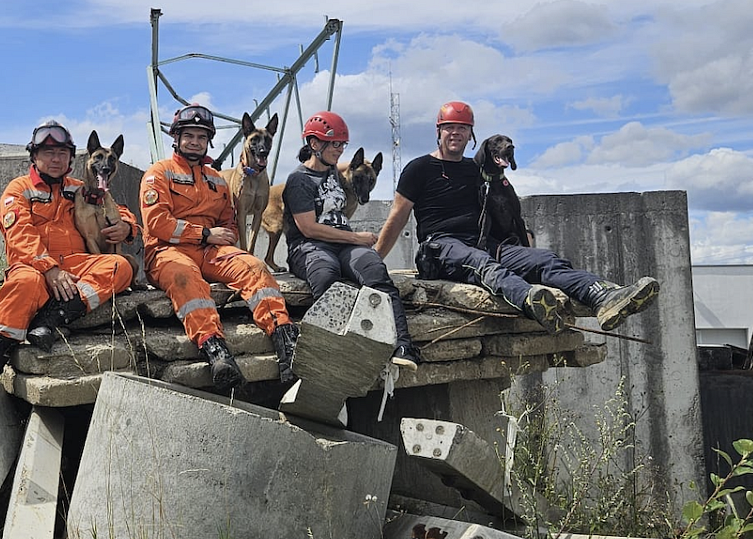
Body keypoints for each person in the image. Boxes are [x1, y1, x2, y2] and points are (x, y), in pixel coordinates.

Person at [374, 100, 659, 333]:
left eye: (462, 128)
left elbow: (504, 208)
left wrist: (523, 241)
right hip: (442, 247)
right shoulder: (419, 168)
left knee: (545, 260)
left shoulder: (477, 171)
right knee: (480, 262)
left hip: (484, 241)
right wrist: (374, 262)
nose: (455, 134)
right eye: (449, 128)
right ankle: (529, 298)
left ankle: (605, 295)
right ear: (439, 131)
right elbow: (397, 217)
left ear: (471, 135)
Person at [0, 120, 139, 406]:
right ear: (34, 156)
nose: (56, 159)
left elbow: (118, 209)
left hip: (76, 264)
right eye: (48, 152)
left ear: (72, 159)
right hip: (34, 266)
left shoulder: (79, 188)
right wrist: (49, 268)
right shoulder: (18, 189)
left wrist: (128, 227)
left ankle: (50, 320)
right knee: (23, 284)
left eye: (62, 153)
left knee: (119, 266)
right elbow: (19, 234)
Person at [140, 104, 298, 391]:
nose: (195, 142)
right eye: (189, 136)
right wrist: (203, 233)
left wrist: (219, 238)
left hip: (210, 250)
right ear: (176, 138)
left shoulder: (216, 180)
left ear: (208, 141)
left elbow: (229, 223)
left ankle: (285, 339)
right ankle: (216, 351)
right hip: (167, 252)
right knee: (185, 277)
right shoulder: (158, 174)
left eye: (201, 137)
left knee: (254, 266)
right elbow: (157, 224)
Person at [283, 111, 422, 369]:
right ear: (315, 144)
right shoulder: (298, 180)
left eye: (341, 144)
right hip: (308, 246)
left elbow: (353, 169)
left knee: (376, 272)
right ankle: (335, 353)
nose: (338, 149)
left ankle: (402, 345)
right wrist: (356, 237)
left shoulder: (336, 173)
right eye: (333, 143)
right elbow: (309, 228)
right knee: (326, 276)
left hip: (344, 244)